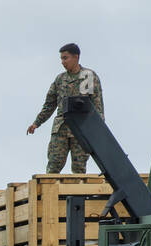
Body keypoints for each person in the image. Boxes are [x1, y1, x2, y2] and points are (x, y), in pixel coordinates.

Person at [27, 43, 104, 174]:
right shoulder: (60, 79)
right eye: (61, 59)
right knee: (53, 165)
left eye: (65, 58)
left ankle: (78, 194)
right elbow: (49, 105)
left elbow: (97, 105)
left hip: (81, 130)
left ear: (76, 57)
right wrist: (36, 123)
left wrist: (98, 130)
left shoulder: (88, 76)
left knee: (79, 169)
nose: (63, 62)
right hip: (61, 128)